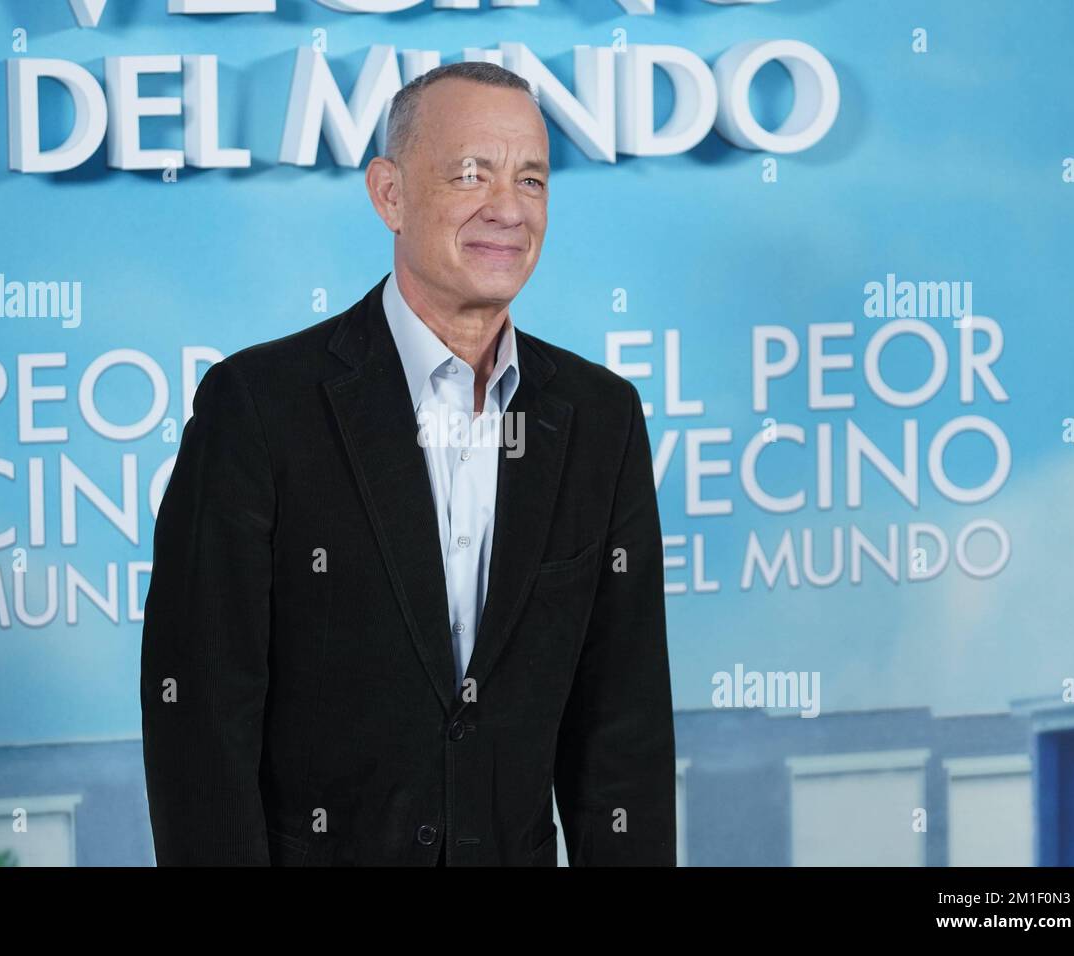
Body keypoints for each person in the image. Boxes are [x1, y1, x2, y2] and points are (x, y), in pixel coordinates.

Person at [141, 60, 676, 866]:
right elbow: (202, 730)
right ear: (388, 194)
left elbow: (621, 731)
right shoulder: (257, 407)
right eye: (471, 174)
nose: (508, 208)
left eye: (531, 180)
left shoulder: (602, 418)